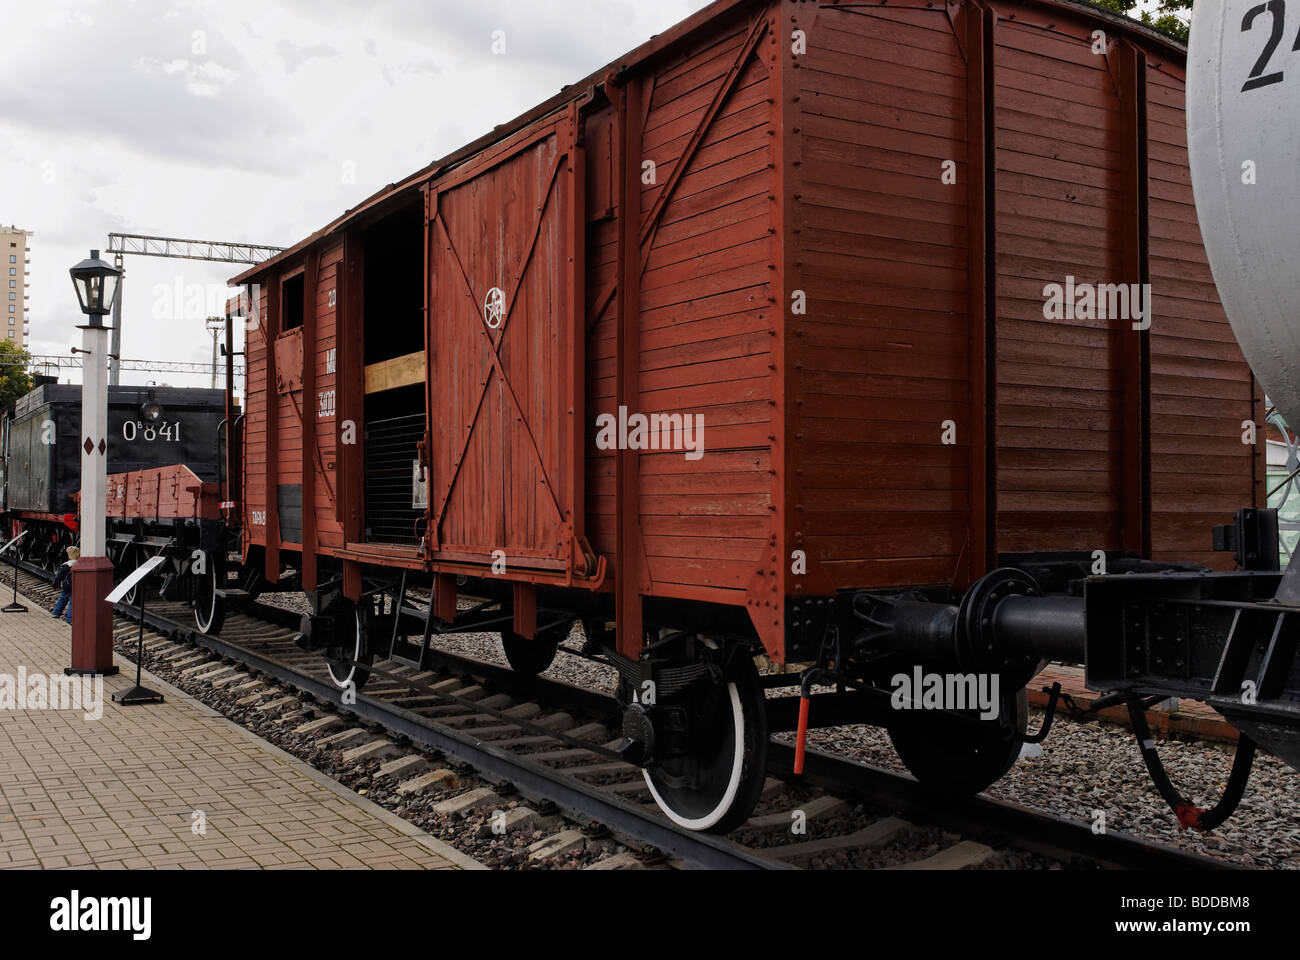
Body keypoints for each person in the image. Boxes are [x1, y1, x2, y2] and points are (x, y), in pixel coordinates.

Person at [51, 546, 80, 624]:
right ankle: (70, 619)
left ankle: (56, 613)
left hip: (65, 586)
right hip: (74, 587)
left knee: (62, 599)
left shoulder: (65, 565)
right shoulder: (79, 565)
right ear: (78, 556)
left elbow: (58, 577)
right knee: (72, 602)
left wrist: (55, 585)